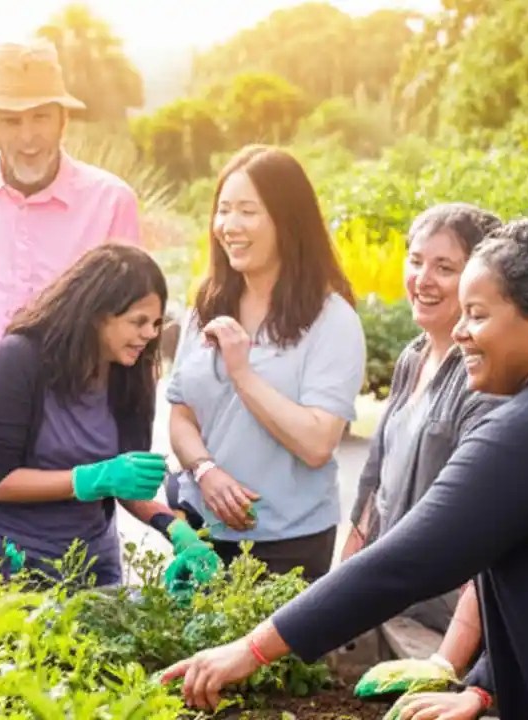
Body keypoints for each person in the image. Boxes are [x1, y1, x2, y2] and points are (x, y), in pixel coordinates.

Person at [160, 220, 528, 719]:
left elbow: (413, 556)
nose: (460, 330)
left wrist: (251, 648)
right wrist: (483, 687)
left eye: (477, 313)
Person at [165, 145, 366, 581]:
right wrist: (206, 471)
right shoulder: (206, 306)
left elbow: (317, 443)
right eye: (223, 210)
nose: (229, 226)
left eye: (248, 211)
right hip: (198, 531)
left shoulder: (332, 321)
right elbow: (181, 415)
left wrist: (243, 373)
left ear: (287, 221)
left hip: (287, 544)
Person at [0, 245, 220, 589]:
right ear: (96, 314)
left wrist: (175, 529)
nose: (151, 334)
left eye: (156, 323)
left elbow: (125, 483)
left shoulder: (133, 372)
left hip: (94, 565)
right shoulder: (21, 359)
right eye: (139, 322)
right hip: (14, 566)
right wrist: (89, 479)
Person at [340, 204, 505, 681]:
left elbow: (491, 526)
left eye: (444, 267)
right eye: (416, 261)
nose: (422, 279)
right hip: (395, 605)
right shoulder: (412, 358)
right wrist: (339, 598)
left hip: (453, 627)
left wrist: (444, 664)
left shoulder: (483, 376)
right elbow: (371, 493)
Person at [0, 39, 141, 340]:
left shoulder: (111, 202)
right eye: (12, 121)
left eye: (41, 117)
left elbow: (130, 322)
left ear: (62, 121)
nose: (28, 138)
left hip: (70, 383)